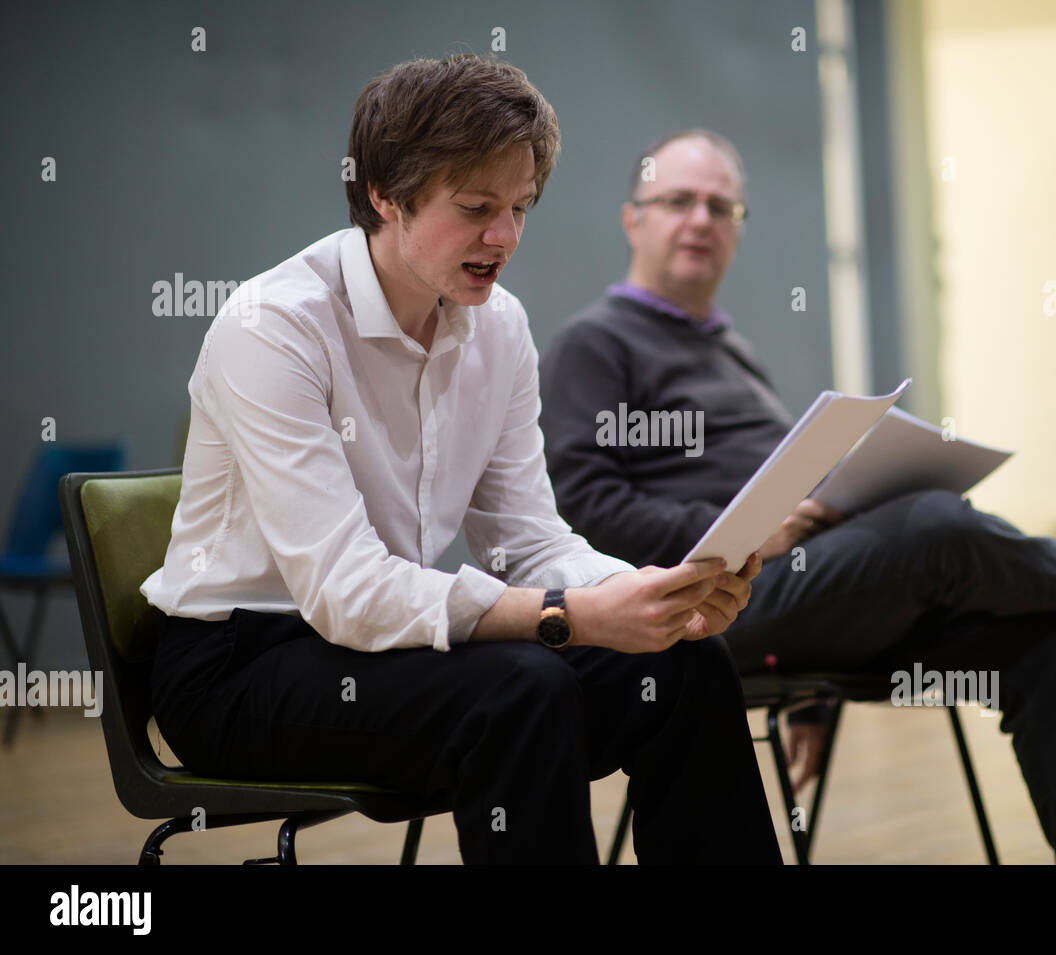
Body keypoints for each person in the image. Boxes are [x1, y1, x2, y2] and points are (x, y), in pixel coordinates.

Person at [537, 128, 1056, 864]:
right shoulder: (594, 343)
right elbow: (585, 508)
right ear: (635, 219)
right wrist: (747, 532)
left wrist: (815, 678)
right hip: (710, 604)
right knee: (935, 524)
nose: (701, 219)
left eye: (721, 207)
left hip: (807, 591)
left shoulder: (734, 352)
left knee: (1038, 641)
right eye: (679, 201)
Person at [140, 62, 781, 865]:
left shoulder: (499, 327)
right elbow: (346, 591)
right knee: (522, 687)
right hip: (240, 670)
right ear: (384, 193)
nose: (505, 237)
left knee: (683, 661)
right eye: (477, 208)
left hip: (380, 644)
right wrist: (573, 616)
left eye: (520, 208)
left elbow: (528, 541)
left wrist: (646, 596)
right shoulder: (272, 328)